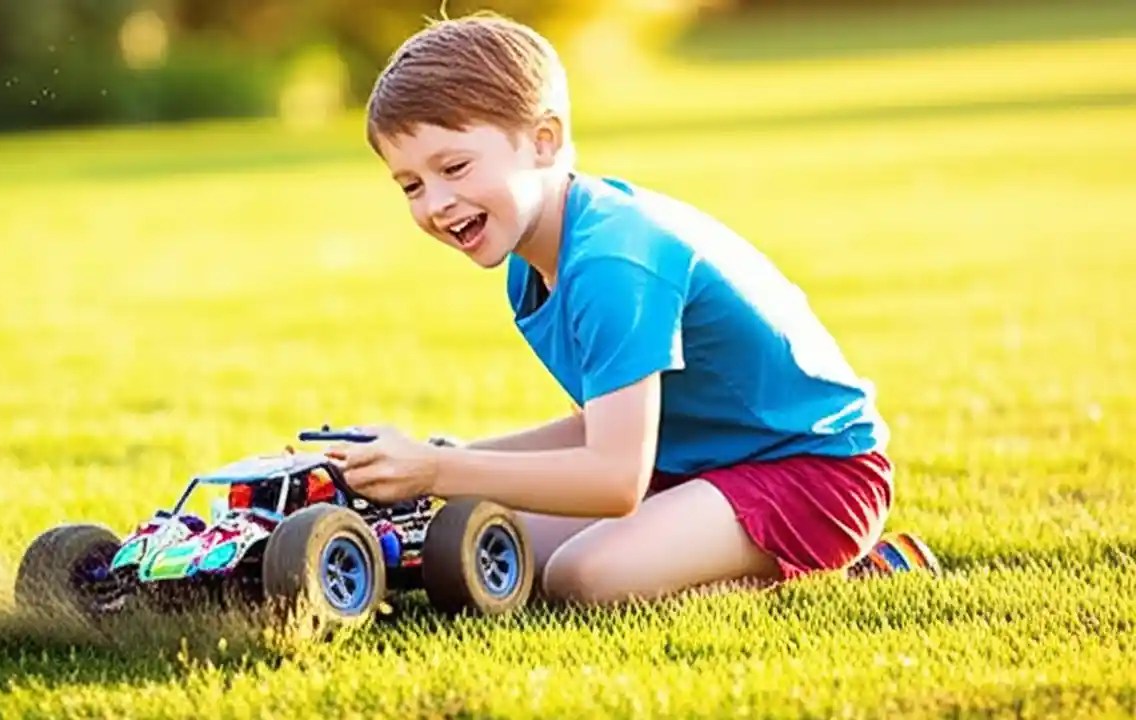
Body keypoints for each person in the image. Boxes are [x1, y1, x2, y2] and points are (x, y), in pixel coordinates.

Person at [324, 12, 939, 606]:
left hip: (813, 475)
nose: (436, 203)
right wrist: (445, 454)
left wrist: (438, 469)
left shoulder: (613, 262)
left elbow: (615, 479)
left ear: (543, 141)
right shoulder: (531, 263)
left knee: (585, 577)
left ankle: (855, 569)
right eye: (412, 185)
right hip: (689, 467)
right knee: (482, 540)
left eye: (455, 167)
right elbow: (596, 428)